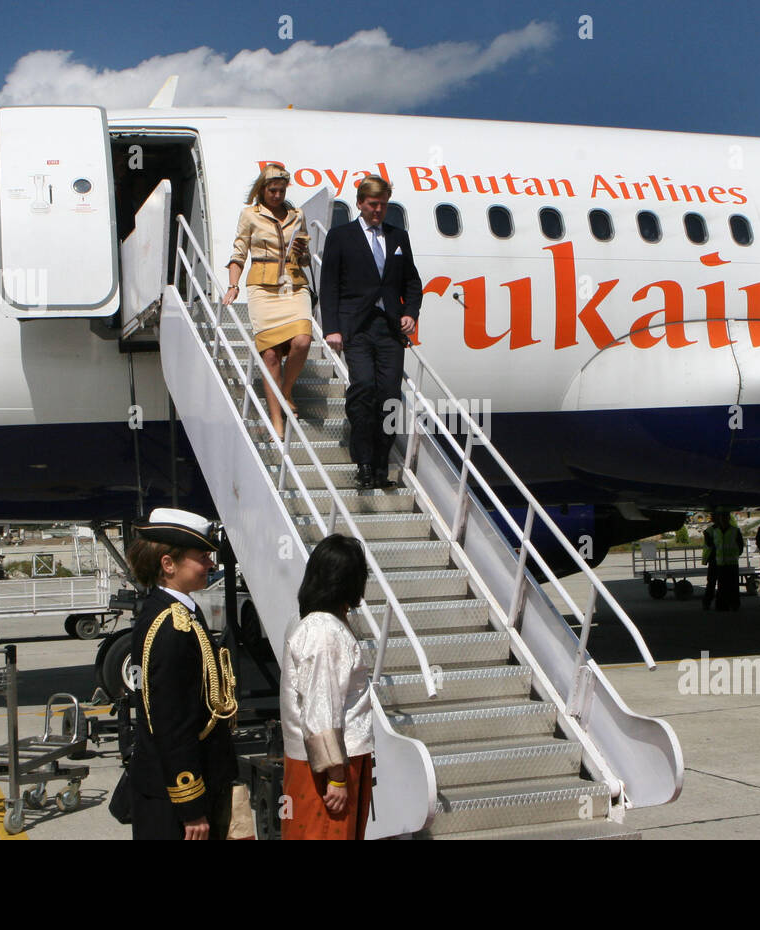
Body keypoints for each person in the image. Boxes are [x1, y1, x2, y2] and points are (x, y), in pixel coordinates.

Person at [124, 508, 238, 840]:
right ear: (168, 565)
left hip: (186, 783)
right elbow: (171, 723)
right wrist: (191, 806)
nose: (210, 565)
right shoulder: (170, 627)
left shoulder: (180, 611)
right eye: (202, 557)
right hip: (175, 796)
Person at [320, 175, 423, 490]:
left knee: (390, 398)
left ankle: (381, 466)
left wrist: (410, 313)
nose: (378, 211)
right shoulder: (341, 236)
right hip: (357, 326)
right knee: (363, 389)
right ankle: (363, 462)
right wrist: (332, 328)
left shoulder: (398, 237)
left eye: (383, 205)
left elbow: (412, 283)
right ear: (360, 204)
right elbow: (329, 285)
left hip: (389, 328)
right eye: (373, 204)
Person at [280, 534, 374, 839]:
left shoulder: (307, 620)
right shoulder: (324, 630)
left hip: (315, 759)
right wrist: (336, 776)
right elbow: (322, 708)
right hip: (327, 766)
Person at [224, 164, 314, 439]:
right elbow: (239, 252)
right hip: (262, 288)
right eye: (272, 190)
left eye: (281, 190)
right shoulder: (250, 215)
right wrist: (232, 285)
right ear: (262, 190)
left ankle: (285, 390)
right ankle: (277, 420)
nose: (276, 195)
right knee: (271, 355)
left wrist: (301, 251)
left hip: (293, 284)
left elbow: (308, 259)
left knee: (302, 340)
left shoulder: (297, 215)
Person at [708, 510, 743, 612]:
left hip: (732, 563)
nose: (723, 520)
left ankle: (734, 604)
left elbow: (740, 547)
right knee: (721, 586)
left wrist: (735, 555)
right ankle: (721, 606)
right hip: (721, 564)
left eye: (725, 518)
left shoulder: (735, 531)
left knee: (733, 586)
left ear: (728, 519)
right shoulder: (716, 531)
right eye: (721, 518)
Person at [701, 520, 718, 611]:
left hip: (718, 560)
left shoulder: (709, 531)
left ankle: (708, 602)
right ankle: (708, 602)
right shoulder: (710, 531)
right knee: (712, 583)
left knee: (711, 584)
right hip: (716, 560)